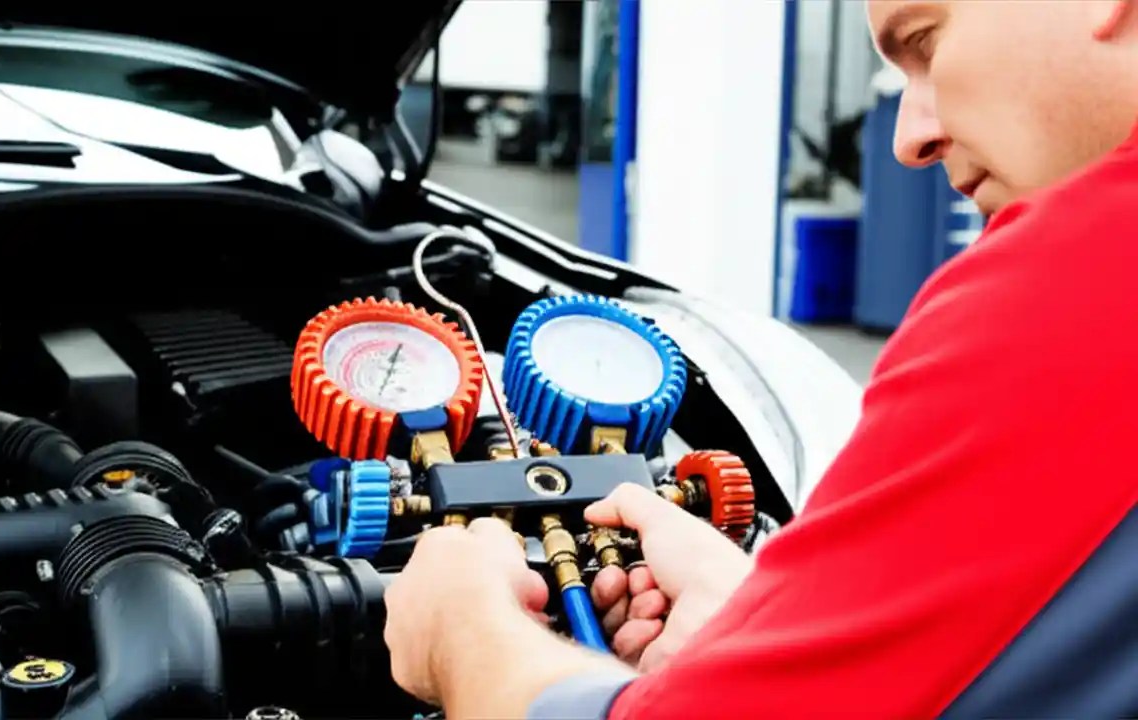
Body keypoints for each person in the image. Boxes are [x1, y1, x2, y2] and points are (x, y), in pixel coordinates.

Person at [383, 0, 1138, 717]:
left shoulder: (1077, 282)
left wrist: (461, 635)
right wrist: (775, 621)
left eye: (925, 40)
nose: (910, 139)